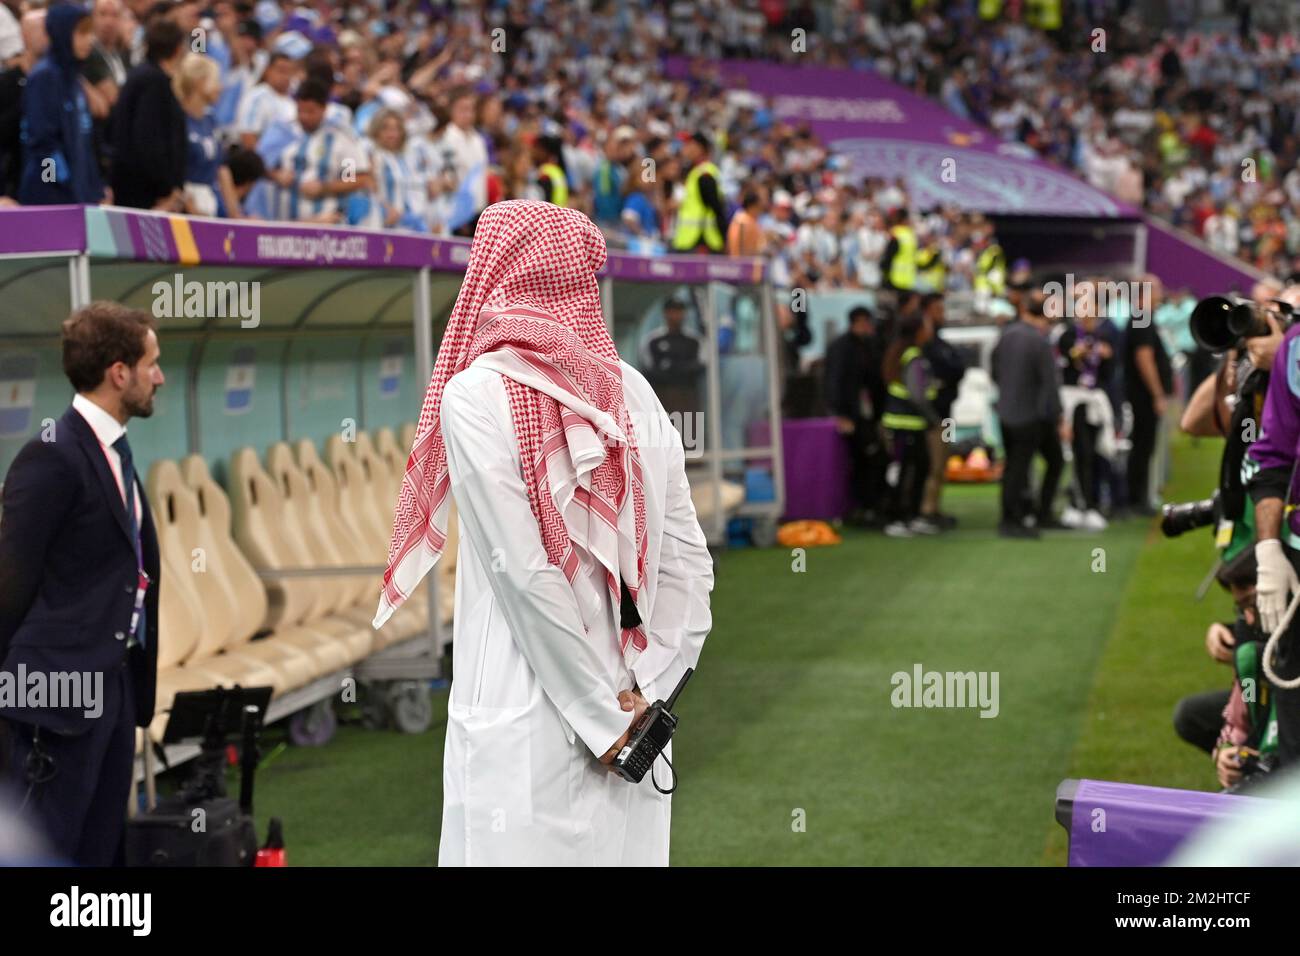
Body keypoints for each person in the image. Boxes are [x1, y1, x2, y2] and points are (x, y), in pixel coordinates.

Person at [372, 201, 713, 866]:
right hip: (631, 704)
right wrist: (649, 687)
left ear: (494, 271)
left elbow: (525, 573)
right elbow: (691, 567)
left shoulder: (474, 395)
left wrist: (603, 720)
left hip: (530, 709)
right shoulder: (634, 392)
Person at [0, 302, 164, 866]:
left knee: (102, 848)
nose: (159, 378)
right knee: (51, 849)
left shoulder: (116, 449)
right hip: (55, 698)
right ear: (120, 373)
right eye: (152, 364)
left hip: (112, 687)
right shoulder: (50, 456)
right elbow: (9, 587)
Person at [993, 291, 1067, 539]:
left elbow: (994, 370)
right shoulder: (1039, 341)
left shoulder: (1006, 336)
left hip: (1006, 412)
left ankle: (1025, 513)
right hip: (1030, 415)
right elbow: (1050, 382)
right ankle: (1016, 518)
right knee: (1023, 466)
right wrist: (1058, 417)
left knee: (1016, 466)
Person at [17, 4, 105, 205]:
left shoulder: (75, 80)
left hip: (78, 196)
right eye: (81, 33)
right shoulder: (44, 77)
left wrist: (95, 188)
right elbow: (42, 144)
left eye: (90, 33)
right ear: (62, 32)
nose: (89, 40)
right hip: (50, 197)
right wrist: (56, 184)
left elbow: (84, 140)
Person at [108, 15, 186, 210]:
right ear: (178, 49)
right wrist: (166, 188)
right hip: (145, 195)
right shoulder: (153, 82)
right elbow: (148, 140)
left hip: (141, 188)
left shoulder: (144, 76)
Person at [1055, 288, 1119, 529]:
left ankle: (1089, 502)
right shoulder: (1068, 335)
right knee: (1078, 452)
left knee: (1093, 452)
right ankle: (1079, 503)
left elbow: (1108, 373)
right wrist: (1081, 353)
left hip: (1095, 402)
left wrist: (1106, 357)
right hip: (1074, 403)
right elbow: (1067, 360)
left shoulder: (1105, 337)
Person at [824, 305, 885, 524]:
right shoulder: (842, 348)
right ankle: (858, 507)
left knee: (870, 459)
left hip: (866, 414)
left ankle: (869, 505)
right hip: (851, 414)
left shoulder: (868, 346)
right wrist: (839, 413)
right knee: (857, 461)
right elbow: (834, 380)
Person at [880, 313, 940, 537]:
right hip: (907, 424)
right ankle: (897, 518)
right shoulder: (913, 356)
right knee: (906, 471)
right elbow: (917, 394)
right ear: (918, 331)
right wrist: (933, 418)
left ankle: (911, 516)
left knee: (912, 469)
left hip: (903, 424)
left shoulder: (900, 352)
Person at [1122, 274, 1173, 515]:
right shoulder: (1142, 319)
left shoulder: (1144, 319)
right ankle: (1136, 498)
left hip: (1142, 394)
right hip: (1141, 396)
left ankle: (1138, 496)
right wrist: (1157, 394)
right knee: (1142, 445)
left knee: (1144, 445)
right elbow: (1144, 358)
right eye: (1157, 289)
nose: (1161, 293)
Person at [919, 293, 964, 529]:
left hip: (946, 414)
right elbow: (949, 368)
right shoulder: (924, 346)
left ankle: (934, 508)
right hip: (933, 417)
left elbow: (958, 367)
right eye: (938, 309)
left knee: (942, 462)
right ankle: (926, 511)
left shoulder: (940, 343)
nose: (942, 314)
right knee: (933, 464)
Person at [670, 131, 726, 254]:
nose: (685, 150)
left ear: (699, 148)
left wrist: (724, 238)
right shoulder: (695, 172)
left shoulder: (704, 174)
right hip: (689, 240)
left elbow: (716, 208)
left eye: (689, 145)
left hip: (700, 241)